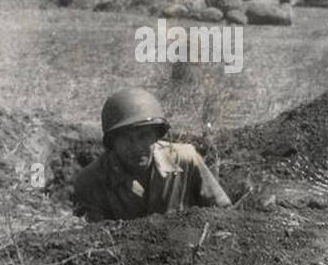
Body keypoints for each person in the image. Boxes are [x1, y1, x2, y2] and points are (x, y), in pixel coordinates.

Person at [72, 88, 231, 221]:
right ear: (112, 143)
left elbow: (223, 215)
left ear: (156, 135)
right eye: (127, 139)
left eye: (143, 136)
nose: (137, 147)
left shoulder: (185, 160)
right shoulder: (91, 181)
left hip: (184, 245)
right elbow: (95, 239)